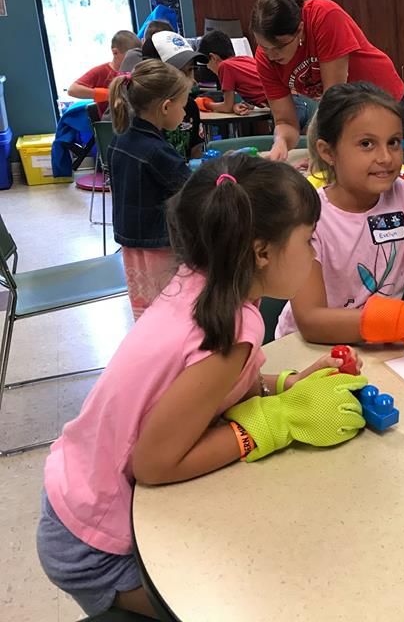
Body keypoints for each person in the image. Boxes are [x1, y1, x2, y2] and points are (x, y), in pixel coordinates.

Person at [37, 154, 369, 617]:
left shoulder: (202, 286)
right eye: (308, 240)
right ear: (262, 252)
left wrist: (285, 385)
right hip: (94, 545)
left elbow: (204, 389)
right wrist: (279, 421)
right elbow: (153, 463)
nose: (315, 254)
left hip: (74, 491)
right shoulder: (226, 334)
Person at [276, 82, 404, 357]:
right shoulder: (308, 215)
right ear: (327, 152)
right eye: (366, 144)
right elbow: (312, 321)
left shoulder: (403, 195)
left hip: (381, 344)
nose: (385, 157)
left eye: (393, 142)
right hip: (311, 352)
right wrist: (401, 322)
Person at [251, 0, 404, 161]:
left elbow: (333, 98)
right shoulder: (265, 59)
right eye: (264, 47)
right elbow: (285, 122)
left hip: (381, 100)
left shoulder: (323, 15)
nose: (271, 55)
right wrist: (280, 142)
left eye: (279, 47)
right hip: (345, 113)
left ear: (300, 30)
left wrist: (320, 157)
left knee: (386, 167)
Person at [106, 59, 192, 319]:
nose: (185, 113)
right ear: (166, 107)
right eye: (184, 105)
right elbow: (194, 192)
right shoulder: (157, 152)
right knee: (169, 314)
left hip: (132, 246)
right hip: (159, 247)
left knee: (146, 314)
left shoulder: (121, 140)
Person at [149, 30, 211, 159]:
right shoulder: (143, 117)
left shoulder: (190, 106)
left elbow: (196, 154)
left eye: (191, 70)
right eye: (181, 72)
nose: (192, 80)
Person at [67, 30, 141, 116]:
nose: (134, 61)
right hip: (109, 123)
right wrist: (108, 94)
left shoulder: (138, 70)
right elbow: (72, 90)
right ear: (115, 52)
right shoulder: (101, 71)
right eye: (129, 57)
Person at [198, 29, 268, 113]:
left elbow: (227, 107)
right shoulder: (246, 59)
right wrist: (239, 105)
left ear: (213, 58)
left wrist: (205, 103)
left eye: (207, 64)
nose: (209, 68)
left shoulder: (224, 66)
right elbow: (255, 92)